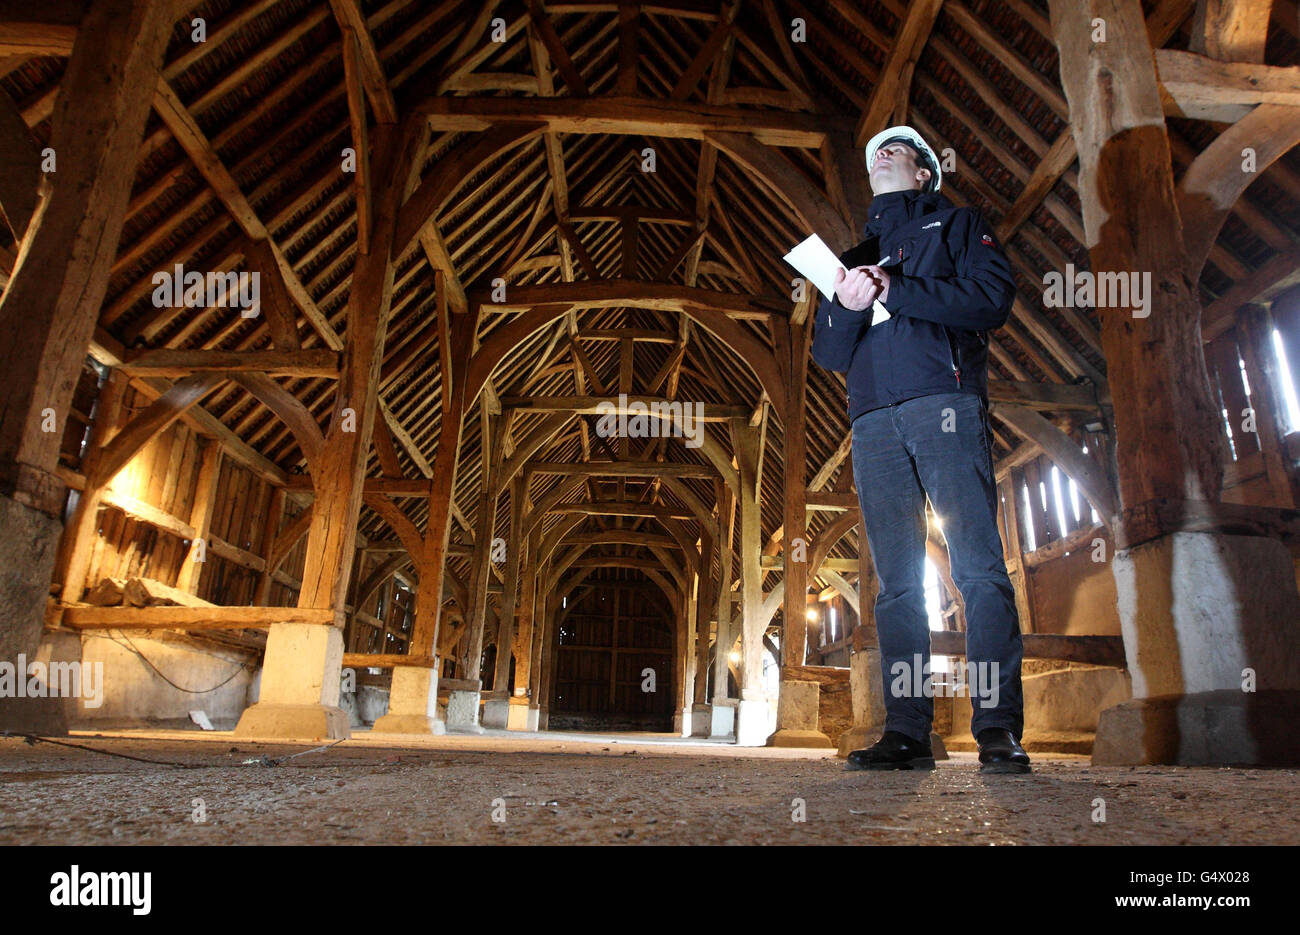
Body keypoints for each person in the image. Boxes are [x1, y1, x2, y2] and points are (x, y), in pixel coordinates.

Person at [810, 126, 1029, 774]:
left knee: (977, 569)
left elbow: (991, 300)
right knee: (896, 587)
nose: (881, 151)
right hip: (873, 420)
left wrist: (894, 289)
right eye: (875, 147)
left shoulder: (959, 226)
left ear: (925, 173)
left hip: (945, 404)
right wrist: (849, 302)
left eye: (898, 148)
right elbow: (827, 352)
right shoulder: (853, 257)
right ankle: (906, 732)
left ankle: (997, 730)